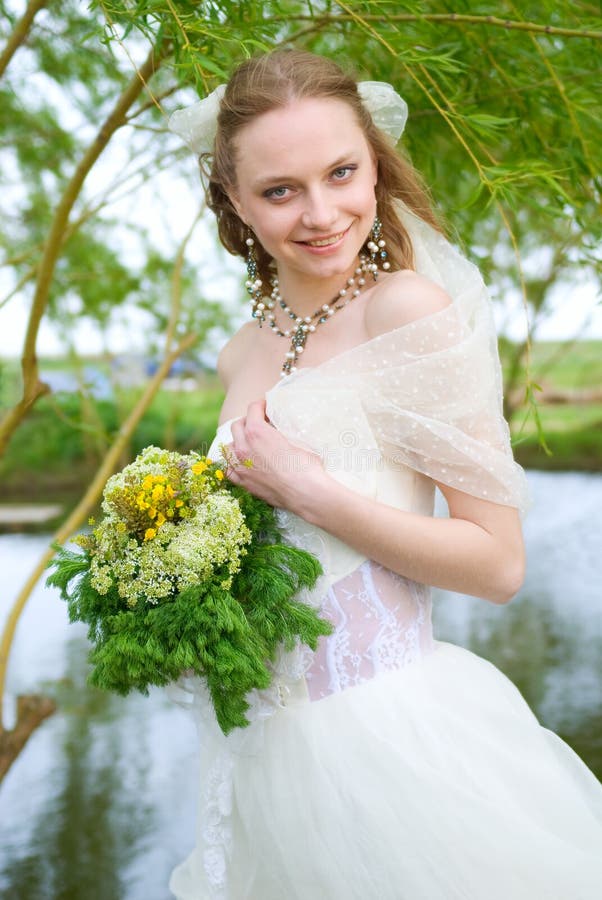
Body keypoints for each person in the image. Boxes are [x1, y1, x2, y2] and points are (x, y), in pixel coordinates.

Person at [168, 49, 602, 899]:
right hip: (263, 758)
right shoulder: (238, 352)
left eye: (342, 172)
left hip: (396, 746)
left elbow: (499, 563)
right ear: (232, 201)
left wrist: (309, 490)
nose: (322, 213)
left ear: (376, 163)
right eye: (279, 189)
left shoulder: (407, 313)